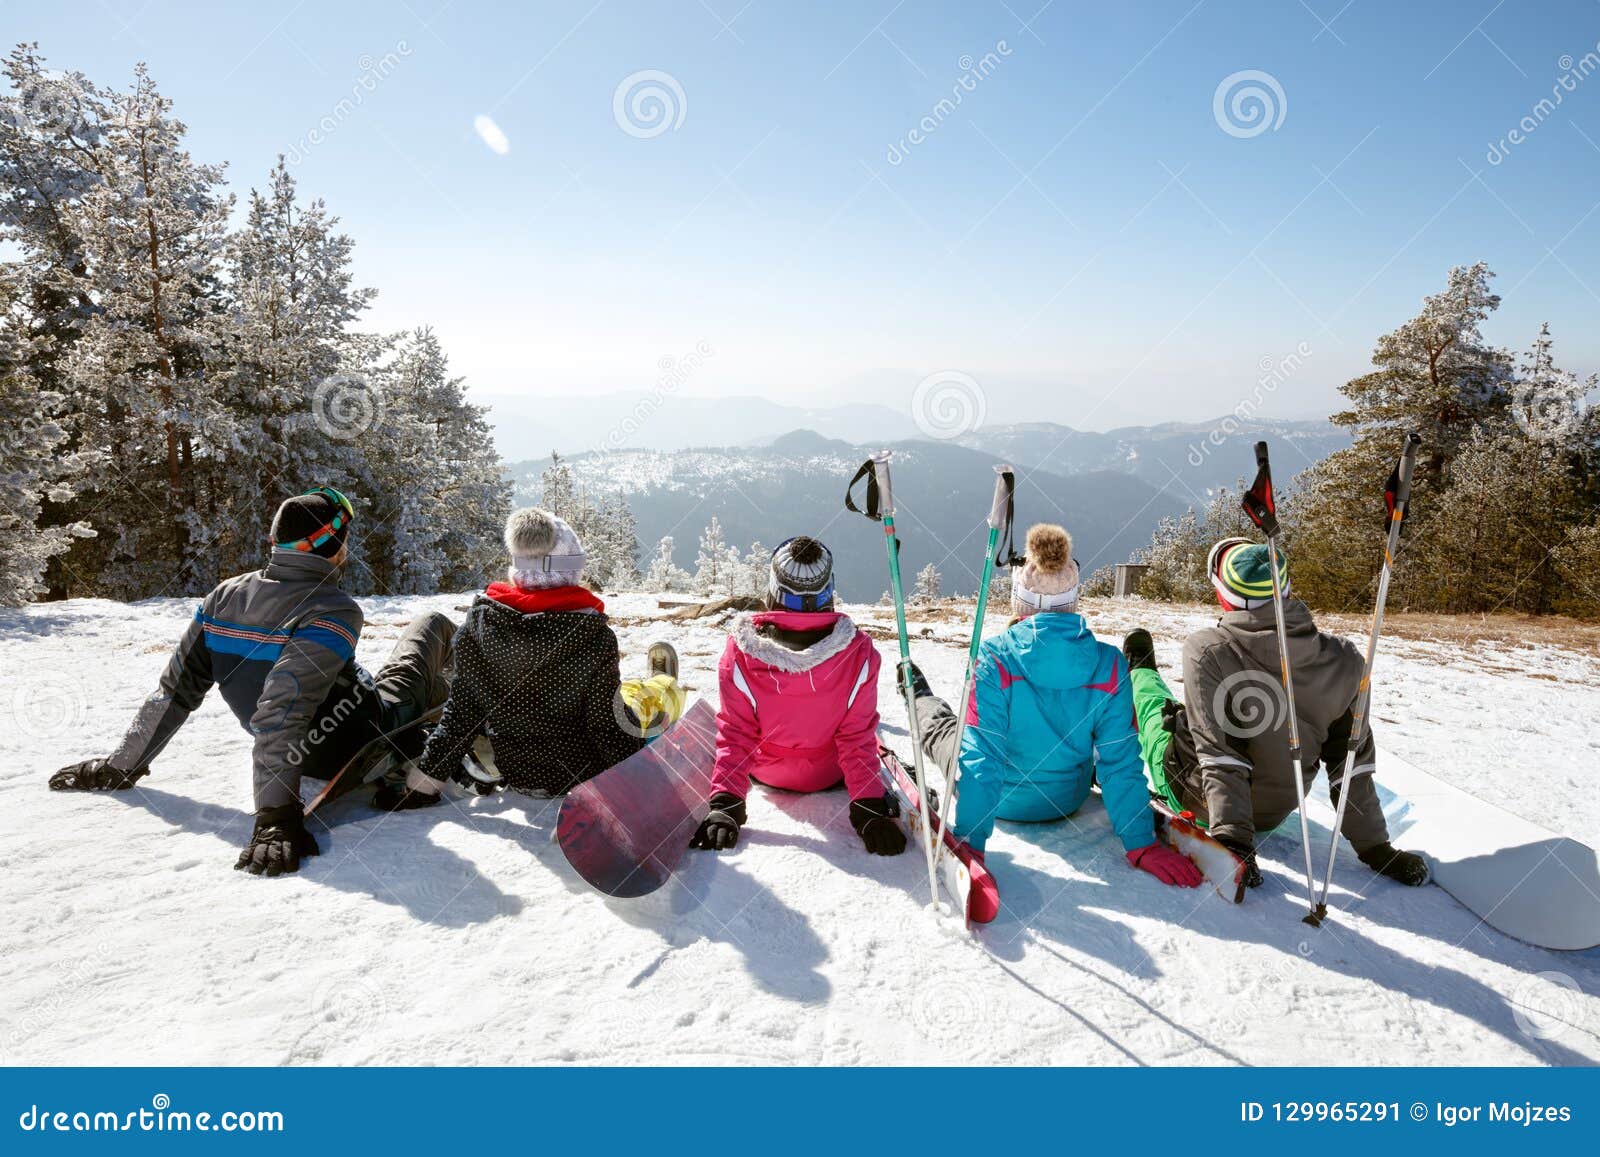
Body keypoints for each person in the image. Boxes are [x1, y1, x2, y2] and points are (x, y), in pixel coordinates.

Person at [49, 487, 456, 877]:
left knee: (425, 683)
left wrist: (121, 766)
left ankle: (446, 704)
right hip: (365, 734)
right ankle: (472, 713)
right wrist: (276, 817)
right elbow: (283, 710)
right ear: (331, 546)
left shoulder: (222, 598)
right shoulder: (332, 608)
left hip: (305, 745)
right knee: (433, 626)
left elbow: (174, 692)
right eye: (345, 539)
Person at [1122, 537, 1429, 889]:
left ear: (1224, 597)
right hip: (1275, 811)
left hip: (1200, 798)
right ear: (1287, 591)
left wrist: (1234, 843)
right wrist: (1377, 847)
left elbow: (1219, 756)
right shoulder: (1345, 659)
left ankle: (1140, 669)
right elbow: (1351, 764)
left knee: (1153, 712)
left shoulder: (1207, 649)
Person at [906, 523, 1203, 888]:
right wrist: (1141, 843)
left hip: (1003, 801)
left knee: (944, 730)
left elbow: (981, 759)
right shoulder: (1109, 665)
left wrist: (971, 846)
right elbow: (1120, 761)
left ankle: (917, 694)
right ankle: (921, 696)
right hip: (1067, 799)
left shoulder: (994, 658)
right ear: (1074, 598)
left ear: (1020, 598)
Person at [379, 507, 685, 807]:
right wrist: (644, 784)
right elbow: (606, 726)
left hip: (518, 773)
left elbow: (459, 717)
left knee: (621, 697)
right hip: (580, 775)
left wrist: (423, 785)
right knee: (639, 701)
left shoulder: (478, 629)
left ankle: (655, 690)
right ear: (570, 571)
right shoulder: (593, 637)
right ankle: (665, 686)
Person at [689, 536, 905, 857]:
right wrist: (869, 807)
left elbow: (737, 734)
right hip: (830, 773)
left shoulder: (741, 651)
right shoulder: (859, 653)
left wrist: (726, 803)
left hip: (765, 772)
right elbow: (857, 738)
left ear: (774, 589)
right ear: (828, 590)